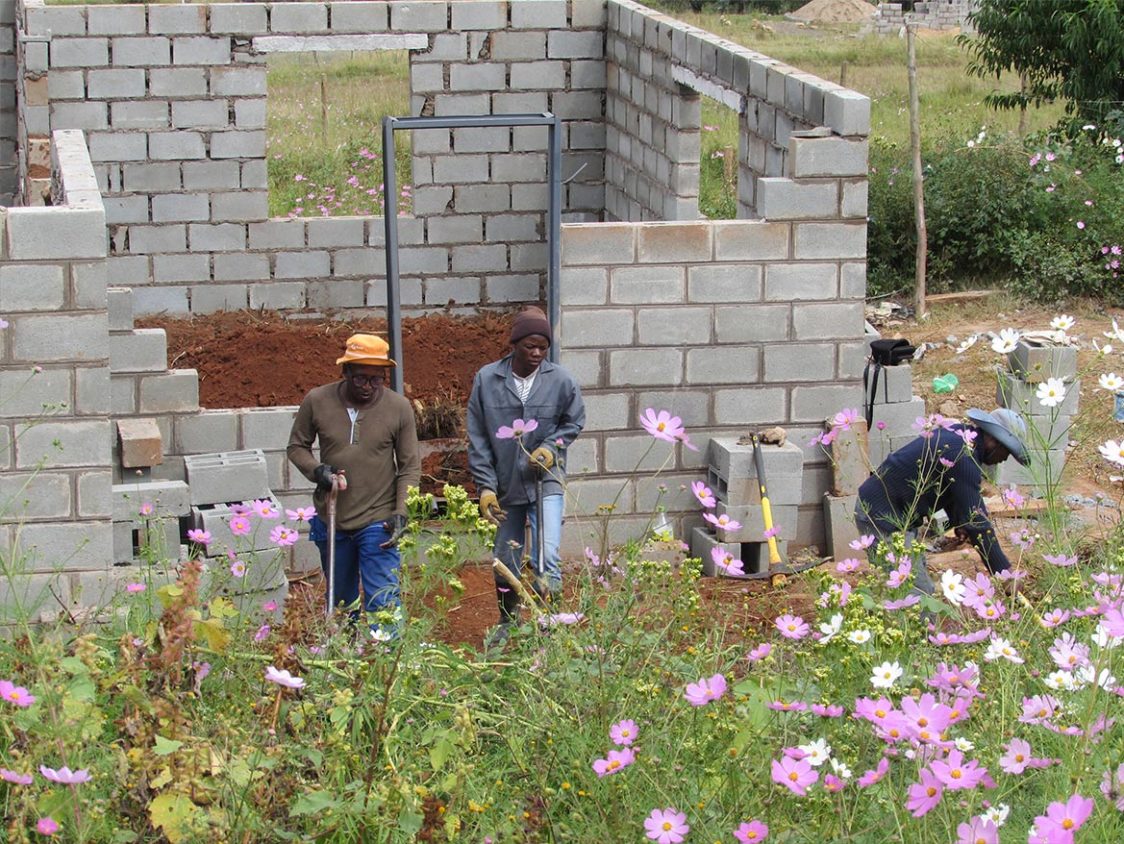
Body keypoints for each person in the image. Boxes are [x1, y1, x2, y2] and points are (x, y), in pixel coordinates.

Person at [287, 333, 421, 628]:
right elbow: (297, 447)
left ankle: (387, 662)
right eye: (361, 378)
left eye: (377, 379)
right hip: (332, 517)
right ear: (345, 372)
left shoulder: (398, 408)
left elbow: (410, 466)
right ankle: (347, 660)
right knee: (341, 600)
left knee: (383, 601)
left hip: (379, 519)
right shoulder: (317, 401)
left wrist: (402, 511)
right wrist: (317, 471)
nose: (369, 387)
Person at [467, 306, 586, 633]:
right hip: (506, 485)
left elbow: (573, 421)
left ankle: (549, 626)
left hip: (545, 482)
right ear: (514, 344)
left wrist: (551, 448)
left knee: (547, 557)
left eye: (542, 347)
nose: (536, 353)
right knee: (505, 559)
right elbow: (478, 437)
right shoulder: (488, 379)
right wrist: (486, 487)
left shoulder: (561, 381)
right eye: (529, 346)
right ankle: (507, 623)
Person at [855, 408, 1030, 595]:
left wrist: (960, 521)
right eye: (1006, 451)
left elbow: (949, 486)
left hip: (895, 512)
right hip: (881, 516)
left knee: (912, 583)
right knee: (916, 594)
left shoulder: (958, 435)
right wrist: (1003, 572)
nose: (1004, 459)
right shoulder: (964, 456)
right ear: (993, 441)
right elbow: (977, 521)